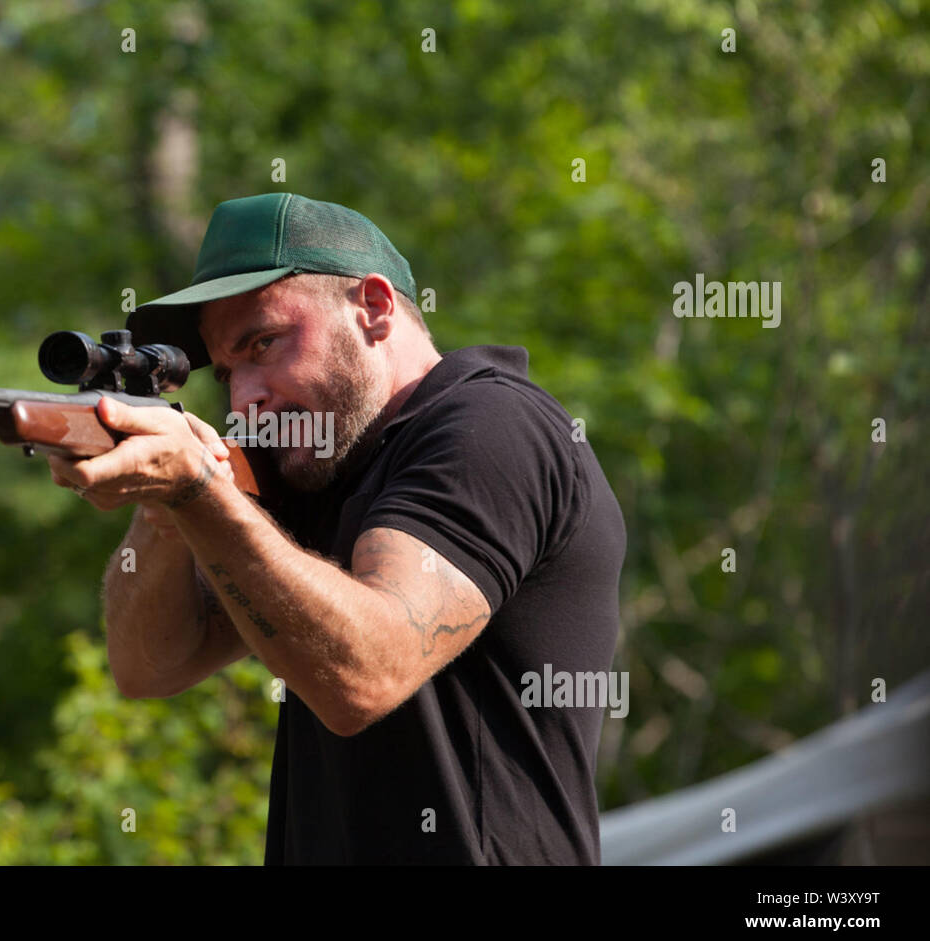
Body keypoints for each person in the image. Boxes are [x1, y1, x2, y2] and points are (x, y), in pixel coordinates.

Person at [48, 192, 627, 864]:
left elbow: (365, 677)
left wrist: (199, 489)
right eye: (229, 370)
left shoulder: (490, 428)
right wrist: (166, 503)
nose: (244, 398)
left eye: (263, 343)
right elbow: (149, 665)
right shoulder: (312, 463)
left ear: (374, 309)